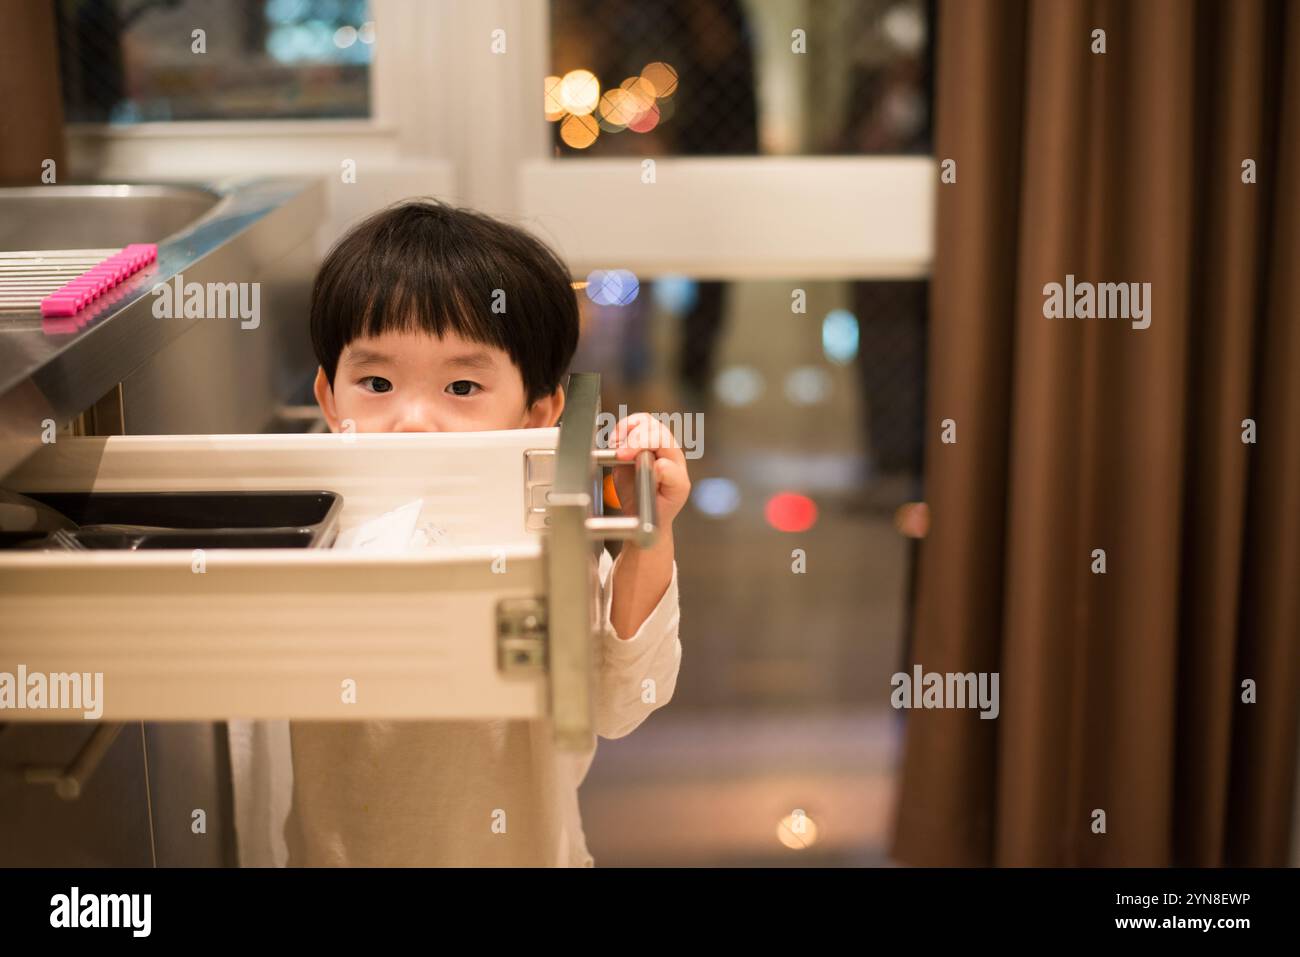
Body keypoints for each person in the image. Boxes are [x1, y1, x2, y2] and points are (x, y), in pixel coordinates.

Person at [283, 199, 689, 866]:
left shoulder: (546, 530)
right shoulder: (313, 526)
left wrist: (649, 531)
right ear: (330, 400)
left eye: (463, 386)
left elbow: (623, 701)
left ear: (539, 411)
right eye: (377, 382)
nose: (414, 419)